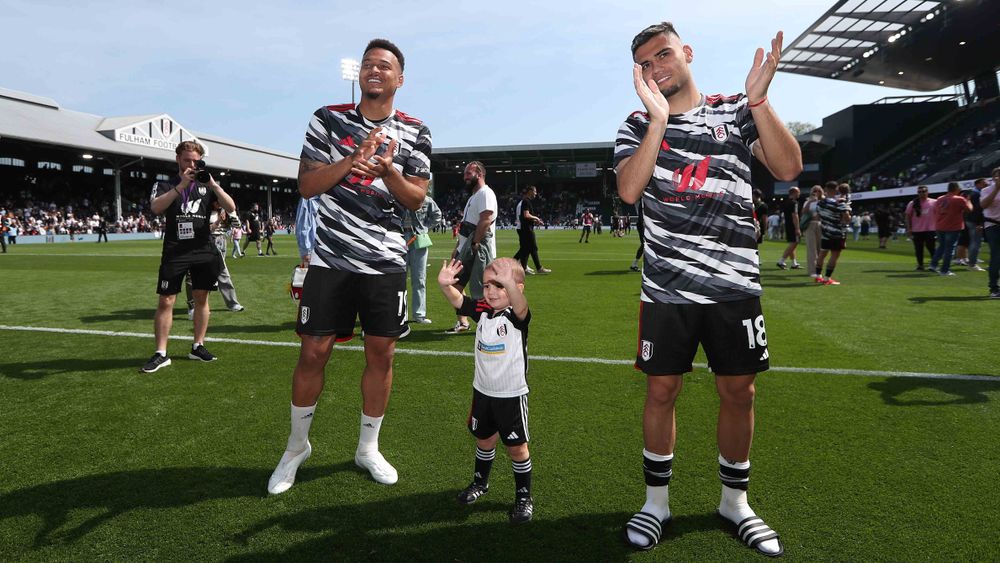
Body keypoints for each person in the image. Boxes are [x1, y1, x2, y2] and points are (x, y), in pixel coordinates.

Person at [615, 21, 801, 556]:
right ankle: (656, 503)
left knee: (739, 392)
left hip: (734, 287)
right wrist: (656, 122)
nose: (658, 67)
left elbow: (788, 167)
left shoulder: (735, 111)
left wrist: (760, 102)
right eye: (646, 63)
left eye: (665, 54)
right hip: (667, 293)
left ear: (687, 52)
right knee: (661, 392)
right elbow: (630, 191)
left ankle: (734, 503)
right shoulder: (634, 124)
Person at [267, 38, 432, 494]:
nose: (373, 71)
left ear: (400, 79)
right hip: (330, 258)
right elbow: (306, 185)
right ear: (358, 74)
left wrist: (387, 172)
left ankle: (368, 448)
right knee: (313, 352)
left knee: (382, 354)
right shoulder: (327, 118)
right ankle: (296, 447)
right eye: (367, 65)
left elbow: (416, 196)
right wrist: (352, 160)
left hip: (384, 262)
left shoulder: (417, 130)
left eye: (384, 66)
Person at [438, 257, 535, 524]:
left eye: (500, 286)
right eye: (487, 285)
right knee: (484, 440)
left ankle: (523, 497)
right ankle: (480, 483)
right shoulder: (482, 309)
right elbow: (460, 302)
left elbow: (522, 307)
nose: (491, 292)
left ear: (517, 289)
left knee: (517, 449)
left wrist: (510, 286)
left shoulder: (516, 317)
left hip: (511, 396)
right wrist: (446, 285)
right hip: (482, 392)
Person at [140, 140, 237, 373]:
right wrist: (182, 185)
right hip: (176, 250)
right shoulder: (166, 184)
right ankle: (161, 353)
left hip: (203, 249)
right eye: (187, 160)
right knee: (166, 300)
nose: (191, 165)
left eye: (196, 161)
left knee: (202, 299)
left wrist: (214, 185)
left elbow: (231, 207)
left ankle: (198, 346)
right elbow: (156, 208)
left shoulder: (207, 185)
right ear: (178, 159)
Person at [446, 161, 497, 334]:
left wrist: (474, 244)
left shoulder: (485, 193)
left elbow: (486, 220)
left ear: (479, 174)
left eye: (468, 173)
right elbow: (467, 226)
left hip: (478, 248)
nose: (465, 177)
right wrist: (458, 247)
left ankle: (489, 324)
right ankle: (463, 322)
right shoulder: (474, 196)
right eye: (465, 173)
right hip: (468, 247)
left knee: (481, 289)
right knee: (455, 285)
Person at [183, 200, 245, 316]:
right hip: (204, 241)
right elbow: (203, 230)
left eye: (221, 201)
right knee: (195, 275)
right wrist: (218, 221)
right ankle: (194, 306)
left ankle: (232, 303)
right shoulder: (202, 210)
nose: (220, 204)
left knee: (222, 273)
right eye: (217, 201)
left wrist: (232, 214)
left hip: (220, 242)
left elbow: (238, 226)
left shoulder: (225, 211)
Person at [402, 195, 442, 324]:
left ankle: (419, 314)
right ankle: (401, 313)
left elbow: (437, 215)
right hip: (400, 236)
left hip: (419, 238)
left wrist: (424, 228)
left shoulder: (426, 199)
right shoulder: (398, 194)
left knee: (419, 278)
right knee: (398, 279)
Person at [928, 182, 972, 276]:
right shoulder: (960, 199)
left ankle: (933, 265)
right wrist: (968, 200)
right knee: (950, 249)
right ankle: (944, 270)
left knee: (941, 246)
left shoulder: (939, 199)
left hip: (940, 226)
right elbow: (969, 210)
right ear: (956, 188)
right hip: (953, 227)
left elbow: (936, 211)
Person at [814, 181, 851, 285]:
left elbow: (817, 216)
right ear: (836, 189)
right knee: (834, 255)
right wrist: (845, 207)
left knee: (822, 254)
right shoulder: (839, 203)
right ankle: (827, 278)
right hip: (837, 233)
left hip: (825, 231)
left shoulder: (820, 202)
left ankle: (818, 276)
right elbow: (847, 219)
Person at [513, 185, 551, 275]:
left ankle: (519, 266)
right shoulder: (526, 201)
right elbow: (526, 215)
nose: (536, 193)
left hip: (522, 228)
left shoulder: (522, 201)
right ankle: (539, 268)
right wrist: (536, 218)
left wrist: (534, 220)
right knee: (533, 248)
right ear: (530, 191)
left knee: (524, 249)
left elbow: (524, 217)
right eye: (535, 191)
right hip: (526, 229)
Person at [904, 186, 937, 270]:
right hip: (917, 230)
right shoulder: (912, 203)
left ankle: (934, 265)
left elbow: (939, 214)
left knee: (931, 248)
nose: (922, 193)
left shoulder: (934, 202)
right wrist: (908, 229)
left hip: (931, 229)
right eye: (920, 192)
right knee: (918, 249)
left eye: (924, 191)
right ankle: (920, 265)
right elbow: (908, 217)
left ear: (927, 192)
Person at [981, 168, 1000, 298]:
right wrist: (996, 189)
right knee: (996, 256)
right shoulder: (986, 190)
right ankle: (993, 288)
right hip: (993, 225)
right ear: (993, 177)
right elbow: (984, 205)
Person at [801, 185, 823, 277]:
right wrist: (811, 201)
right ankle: (812, 271)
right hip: (810, 224)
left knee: (820, 249)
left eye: (818, 191)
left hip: (821, 224)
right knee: (812, 248)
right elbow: (804, 212)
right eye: (814, 190)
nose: (816, 192)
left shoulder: (823, 201)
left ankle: (819, 269)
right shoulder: (808, 201)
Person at [776, 186, 801, 269]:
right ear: (794, 193)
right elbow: (795, 215)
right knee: (794, 242)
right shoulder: (794, 203)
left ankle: (794, 263)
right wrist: (797, 228)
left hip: (787, 224)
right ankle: (781, 261)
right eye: (798, 192)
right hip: (793, 225)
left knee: (792, 243)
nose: (799, 194)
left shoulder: (786, 202)